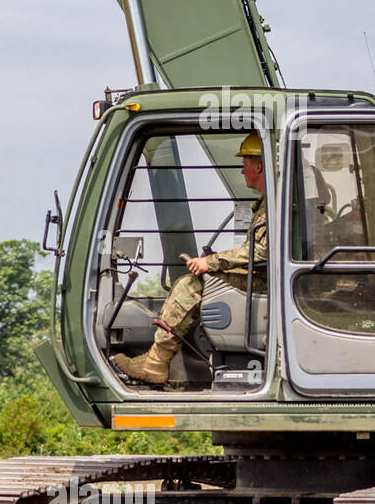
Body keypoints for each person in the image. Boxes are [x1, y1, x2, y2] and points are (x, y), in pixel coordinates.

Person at [112, 132, 267, 385]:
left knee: (190, 285)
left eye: (245, 164)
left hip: (263, 281)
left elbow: (262, 252)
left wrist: (212, 262)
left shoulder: (274, 203)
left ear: (258, 166)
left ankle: (155, 362)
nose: (241, 171)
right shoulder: (269, 202)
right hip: (263, 277)